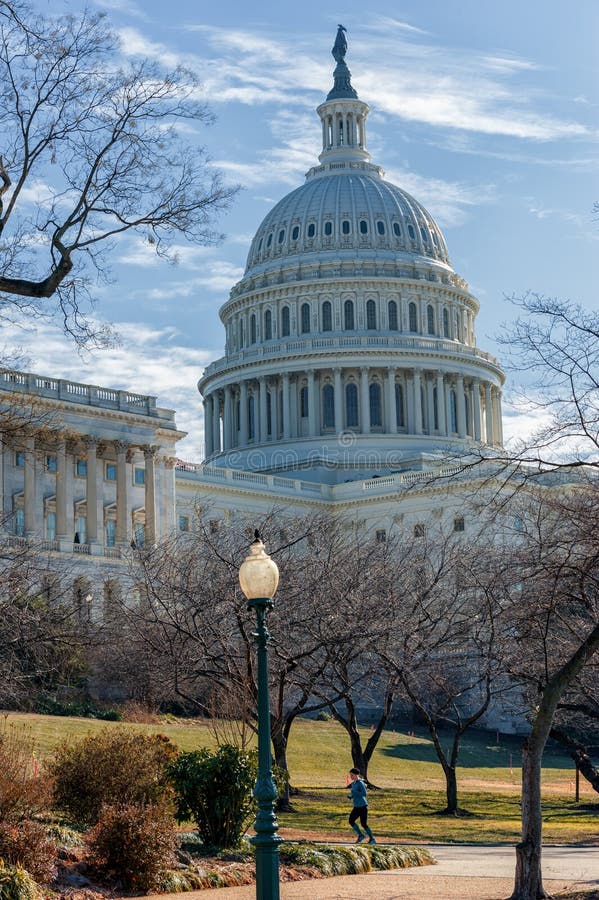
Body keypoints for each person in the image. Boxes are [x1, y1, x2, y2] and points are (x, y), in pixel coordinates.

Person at [347, 768, 376, 844]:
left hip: (363, 806)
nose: (351, 776)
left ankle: (372, 839)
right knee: (351, 821)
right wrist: (351, 796)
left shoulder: (361, 783)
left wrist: (355, 792)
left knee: (363, 824)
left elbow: (364, 794)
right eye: (350, 775)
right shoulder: (353, 783)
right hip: (356, 806)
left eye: (352, 775)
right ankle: (361, 835)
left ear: (356, 775)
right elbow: (354, 793)